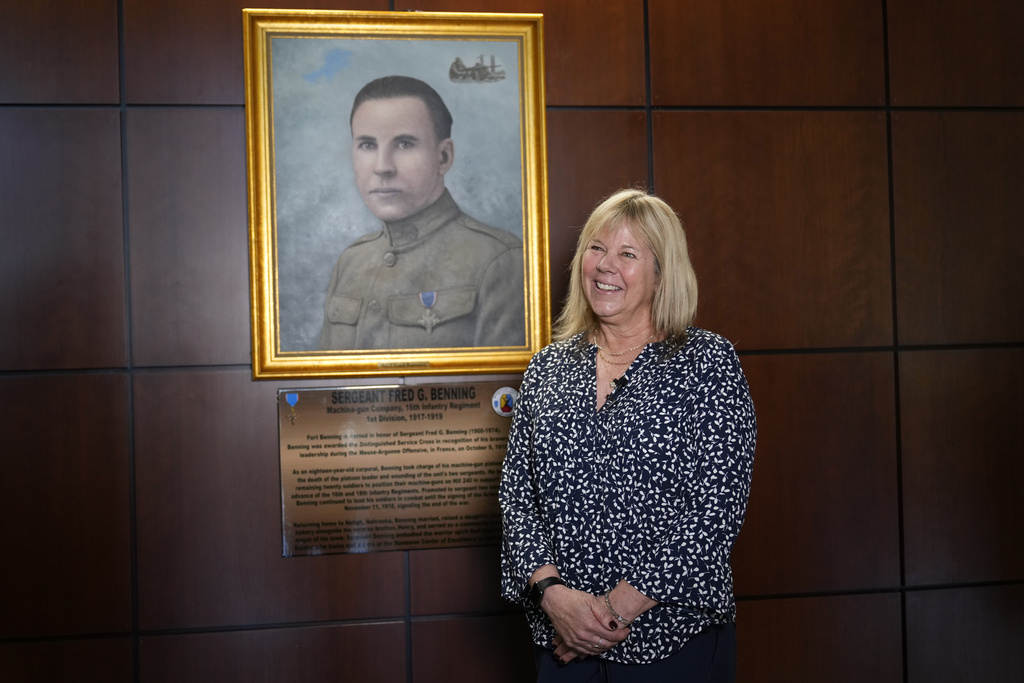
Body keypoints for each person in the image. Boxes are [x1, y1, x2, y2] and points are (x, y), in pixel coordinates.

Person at [499, 189, 756, 681]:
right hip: (563, 647)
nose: (604, 265)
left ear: (662, 273)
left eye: (628, 254)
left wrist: (609, 616)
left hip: (673, 644)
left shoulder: (708, 365)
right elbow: (517, 498)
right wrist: (552, 596)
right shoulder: (547, 369)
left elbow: (715, 513)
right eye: (596, 248)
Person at [317, 75, 526, 351]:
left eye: (404, 144)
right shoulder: (351, 262)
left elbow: (506, 389)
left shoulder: (498, 261)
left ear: (443, 157)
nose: (382, 167)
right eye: (367, 145)